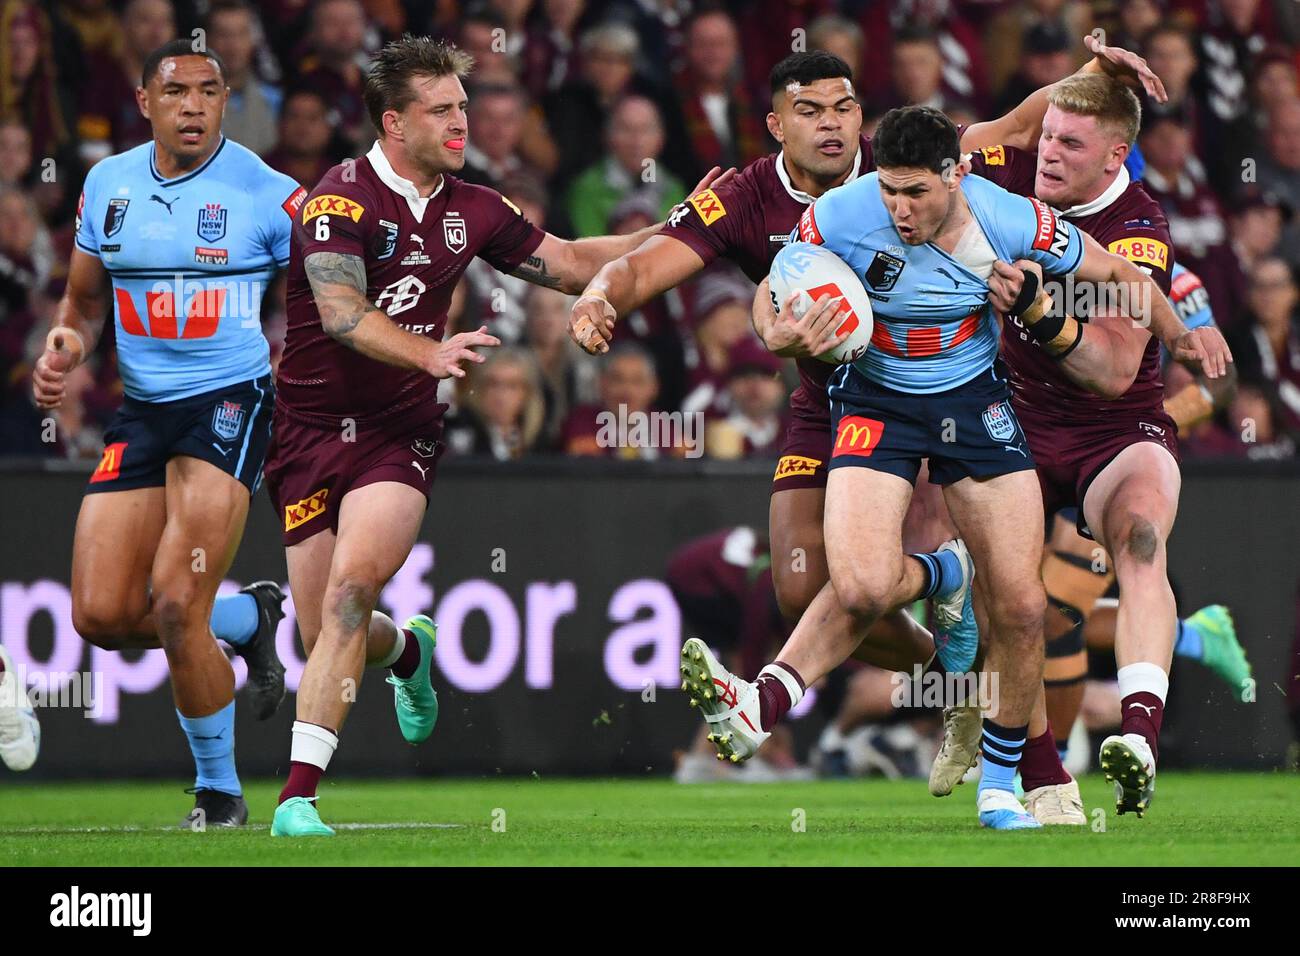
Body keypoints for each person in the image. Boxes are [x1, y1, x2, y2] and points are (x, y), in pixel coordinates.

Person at [568, 41, 1168, 772]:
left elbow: (1024, 124)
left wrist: (1099, 75)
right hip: (835, 401)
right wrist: (604, 297)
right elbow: (652, 262)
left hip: (954, 395)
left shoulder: (915, 158)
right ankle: (954, 680)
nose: (831, 125)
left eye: (844, 108)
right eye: (809, 111)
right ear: (775, 125)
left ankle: (1021, 762)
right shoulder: (748, 198)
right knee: (808, 586)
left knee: (1000, 594)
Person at [685, 104, 1224, 830]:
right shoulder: (842, 212)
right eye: (890, 191)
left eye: (917, 193)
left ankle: (999, 787)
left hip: (975, 406)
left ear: (956, 175)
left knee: (1024, 605)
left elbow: (1116, 273)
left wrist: (1180, 334)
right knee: (866, 583)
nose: (900, 210)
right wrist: (775, 329)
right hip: (876, 401)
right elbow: (777, 283)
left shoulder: (1010, 219)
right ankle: (942, 576)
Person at [264, 35, 733, 837]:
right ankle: (409, 655)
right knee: (323, 633)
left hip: (397, 433)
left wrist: (683, 228)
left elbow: (579, 260)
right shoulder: (337, 201)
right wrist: (429, 350)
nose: (460, 122)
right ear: (392, 121)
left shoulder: (475, 207)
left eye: (463, 107)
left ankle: (297, 799)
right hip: (306, 433)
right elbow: (342, 317)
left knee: (347, 597)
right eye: (441, 110)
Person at [30, 40, 297, 827]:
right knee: (102, 618)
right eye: (176, 92)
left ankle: (218, 794)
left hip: (229, 404)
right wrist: (66, 349)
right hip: (142, 409)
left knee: (178, 605)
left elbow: (331, 292)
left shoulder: (269, 193)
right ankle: (251, 618)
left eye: (210, 92)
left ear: (224, 100)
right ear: (145, 102)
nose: (193, 106)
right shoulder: (108, 184)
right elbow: (82, 304)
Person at [960, 74, 1234, 819]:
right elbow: (981, 134)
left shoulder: (1139, 229)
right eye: (1046, 135)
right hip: (1010, 418)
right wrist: (1087, 75)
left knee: (1140, 539)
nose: (1046, 153)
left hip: (1113, 427)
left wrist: (1041, 313)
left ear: (1115, 157)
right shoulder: (1011, 171)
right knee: (1015, 604)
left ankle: (1137, 740)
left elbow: (1114, 372)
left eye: (1069, 143)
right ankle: (1045, 773)